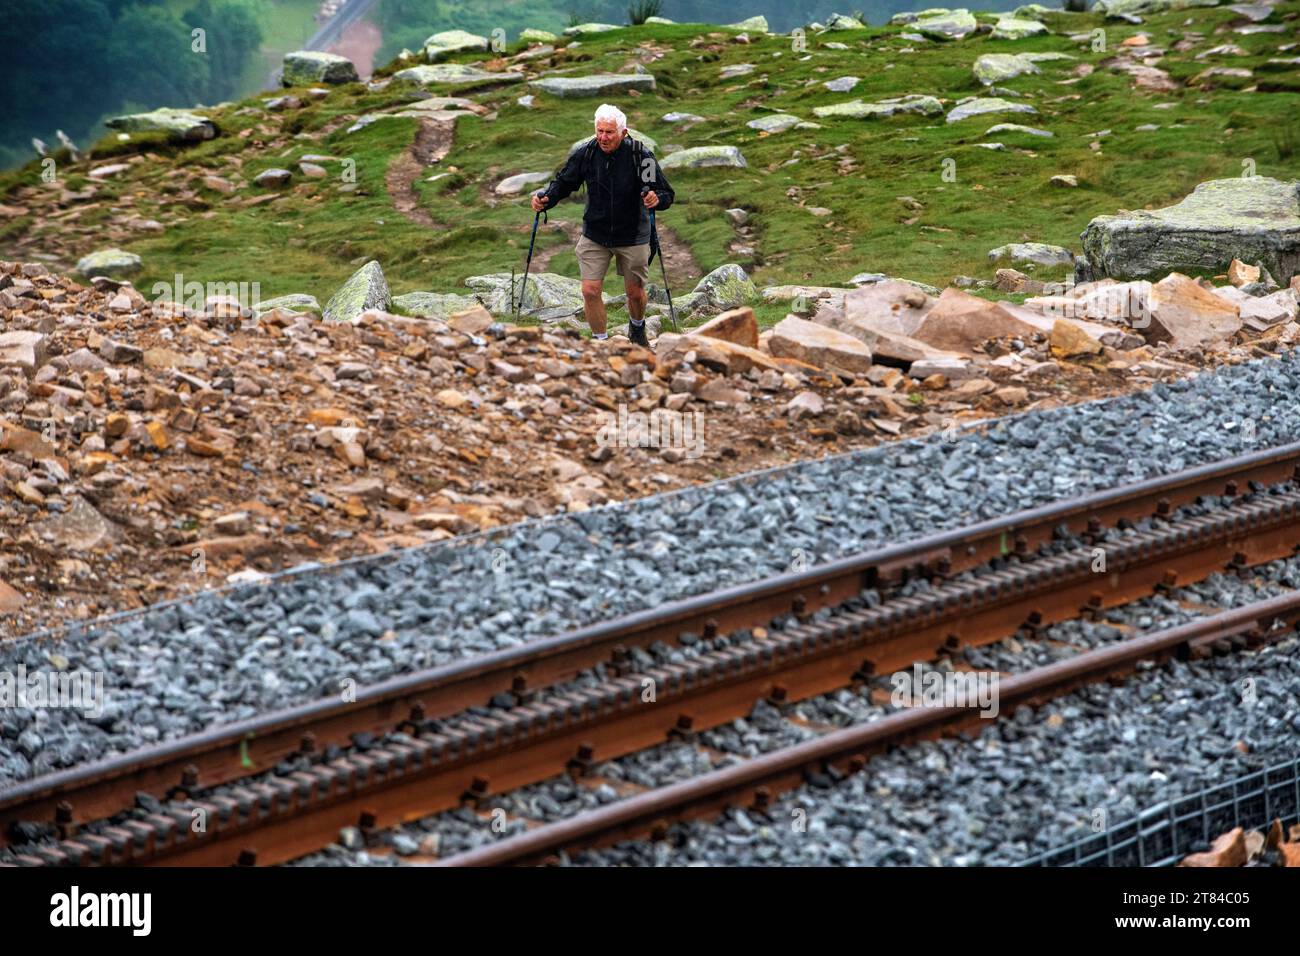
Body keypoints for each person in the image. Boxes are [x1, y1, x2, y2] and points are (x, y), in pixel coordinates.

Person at [531, 103, 674, 346]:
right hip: (595, 234)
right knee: (589, 290)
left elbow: (665, 193)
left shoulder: (642, 156)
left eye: (609, 132)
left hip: (633, 235)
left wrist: (656, 199)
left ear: (624, 132)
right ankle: (601, 343)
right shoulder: (586, 153)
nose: (603, 137)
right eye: (599, 131)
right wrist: (547, 199)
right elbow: (565, 182)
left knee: (635, 294)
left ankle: (637, 328)